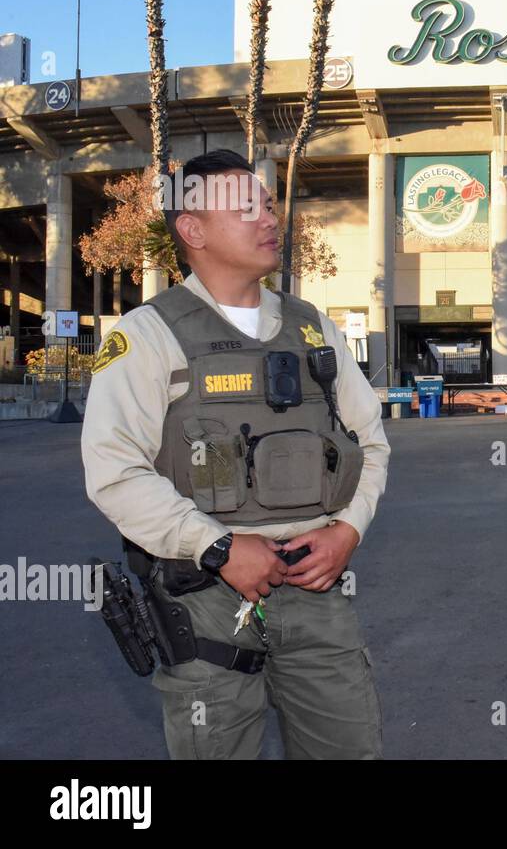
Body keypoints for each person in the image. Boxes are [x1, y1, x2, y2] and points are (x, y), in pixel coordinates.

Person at [82, 149, 390, 759]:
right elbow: (114, 471)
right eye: (246, 207)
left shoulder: (314, 330)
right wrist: (218, 547)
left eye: (269, 204)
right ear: (192, 229)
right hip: (205, 602)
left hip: (317, 587)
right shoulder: (147, 334)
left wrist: (347, 532)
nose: (268, 217)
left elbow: (370, 443)